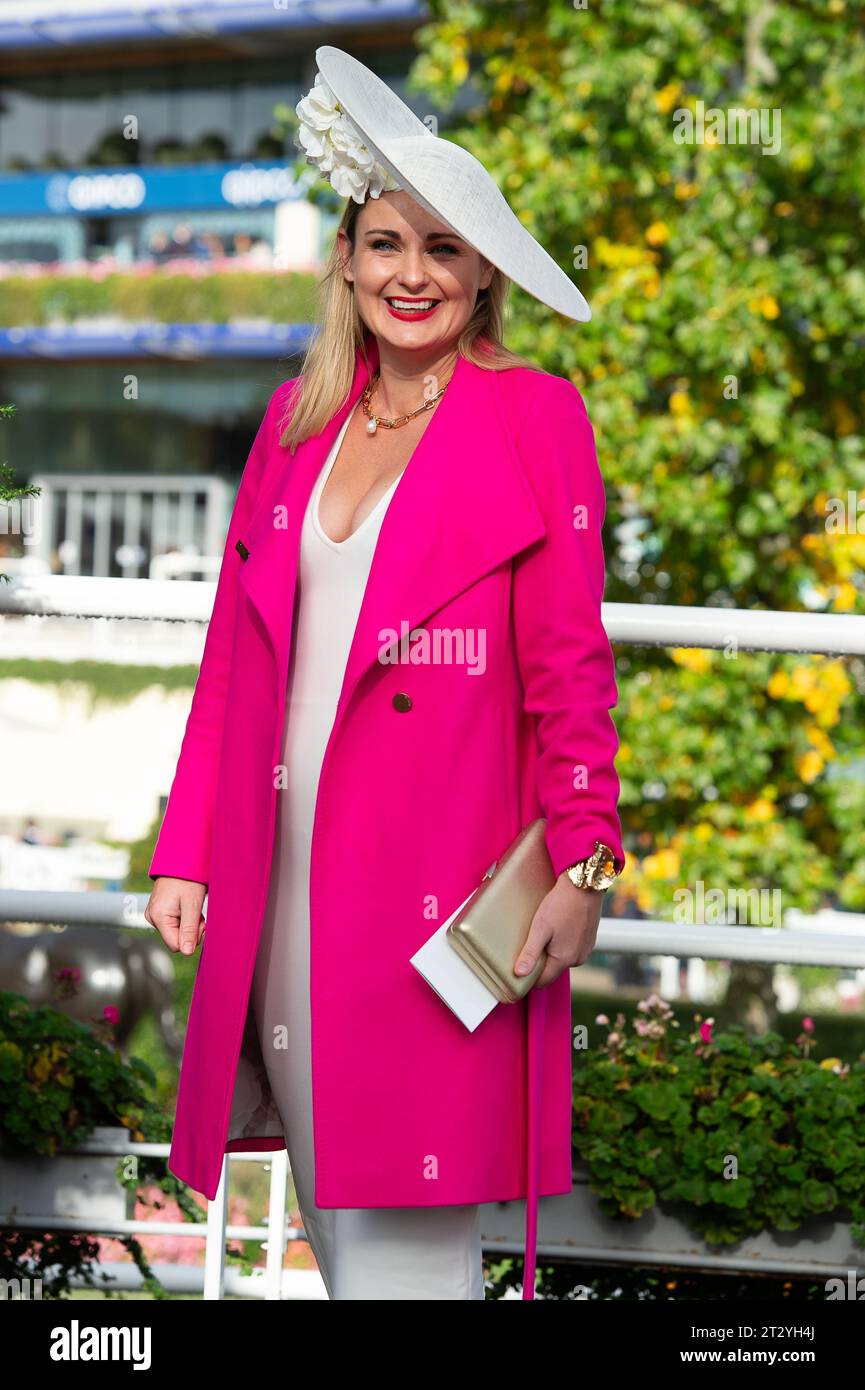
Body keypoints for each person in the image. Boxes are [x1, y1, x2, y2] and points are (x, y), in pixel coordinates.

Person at [144, 46, 625, 1301]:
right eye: (383, 243)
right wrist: (186, 846)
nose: (411, 274)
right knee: (332, 1210)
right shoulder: (298, 422)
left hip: (436, 886)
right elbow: (231, 665)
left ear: (481, 277)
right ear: (345, 260)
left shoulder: (533, 417)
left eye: (443, 250)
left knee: (404, 1247)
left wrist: (583, 860)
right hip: (283, 875)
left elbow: (571, 662)